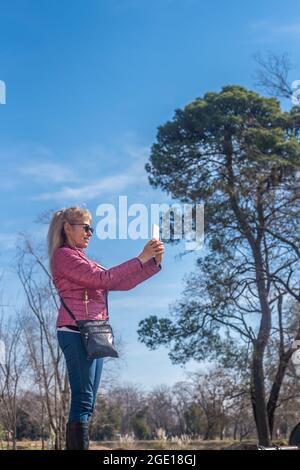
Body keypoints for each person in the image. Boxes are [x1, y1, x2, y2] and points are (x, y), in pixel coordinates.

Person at [47, 206, 164, 450]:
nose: (90, 233)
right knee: (83, 398)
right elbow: (106, 279)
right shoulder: (63, 256)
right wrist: (141, 258)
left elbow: (118, 282)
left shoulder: (83, 259)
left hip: (94, 332)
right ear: (68, 228)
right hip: (75, 331)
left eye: (93, 229)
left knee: (89, 402)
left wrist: (152, 264)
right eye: (86, 228)